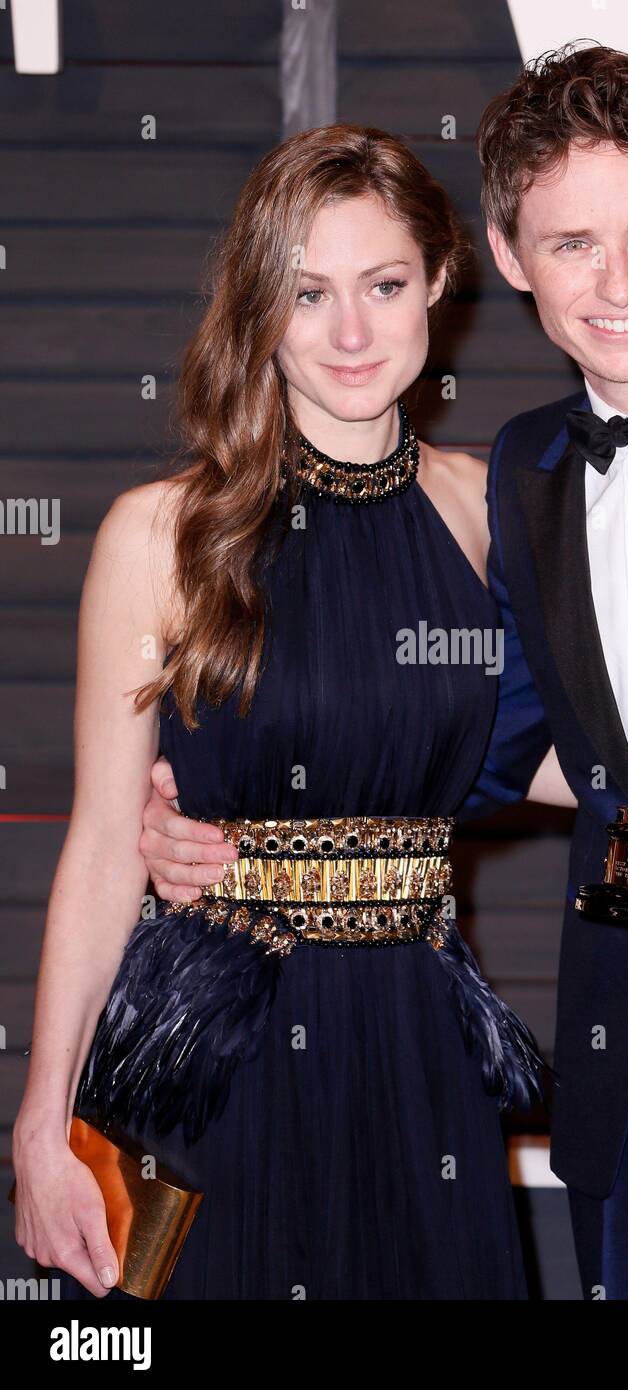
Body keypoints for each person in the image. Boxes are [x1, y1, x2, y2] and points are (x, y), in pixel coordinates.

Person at [145, 41, 628, 1301]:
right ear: (503, 257)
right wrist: (224, 826)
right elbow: (482, 737)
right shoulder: (525, 466)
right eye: (569, 245)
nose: (617, 282)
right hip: (615, 1101)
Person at [11, 124, 567, 1301]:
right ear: (261, 305)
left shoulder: (494, 509)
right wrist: (39, 1121)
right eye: (308, 293)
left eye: (383, 285)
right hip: (212, 1050)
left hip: (417, 1041)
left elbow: (562, 756)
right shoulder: (160, 533)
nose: (351, 332)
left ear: (439, 281)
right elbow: (108, 843)